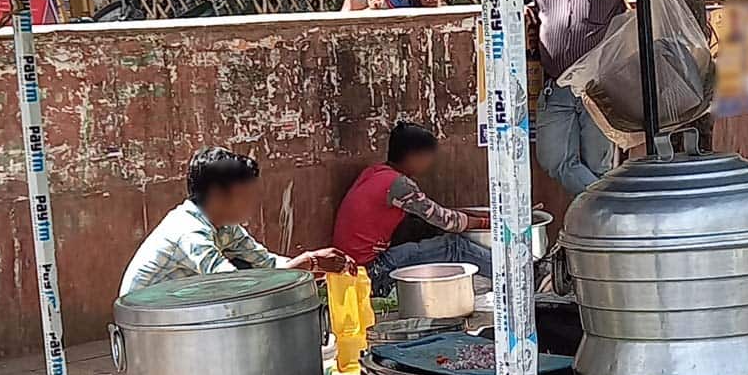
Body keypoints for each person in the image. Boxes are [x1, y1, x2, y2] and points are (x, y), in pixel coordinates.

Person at [120, 148, 355, 295]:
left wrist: (320, 267)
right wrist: (308, 263)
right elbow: (233, 286)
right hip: (145, 328)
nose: (253, 202)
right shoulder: (188, 232)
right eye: (246, 196)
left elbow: (267, 264)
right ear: (218, 196)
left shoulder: (226, 226)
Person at [332, 122, 492, 297]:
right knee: (454, 246)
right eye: (429, 156)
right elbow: (447, 221)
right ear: (415, 156)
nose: (431, 162)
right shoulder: (398, 185)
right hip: (371, 272)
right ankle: (511, 273)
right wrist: (485, 222)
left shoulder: (374, 173)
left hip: (352, 270)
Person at [525, 0, 631, 195]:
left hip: (598, 88)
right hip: (557, 84)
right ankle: (610, 205)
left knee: (598, 166)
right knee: (554, 161)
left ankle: (600, 222)